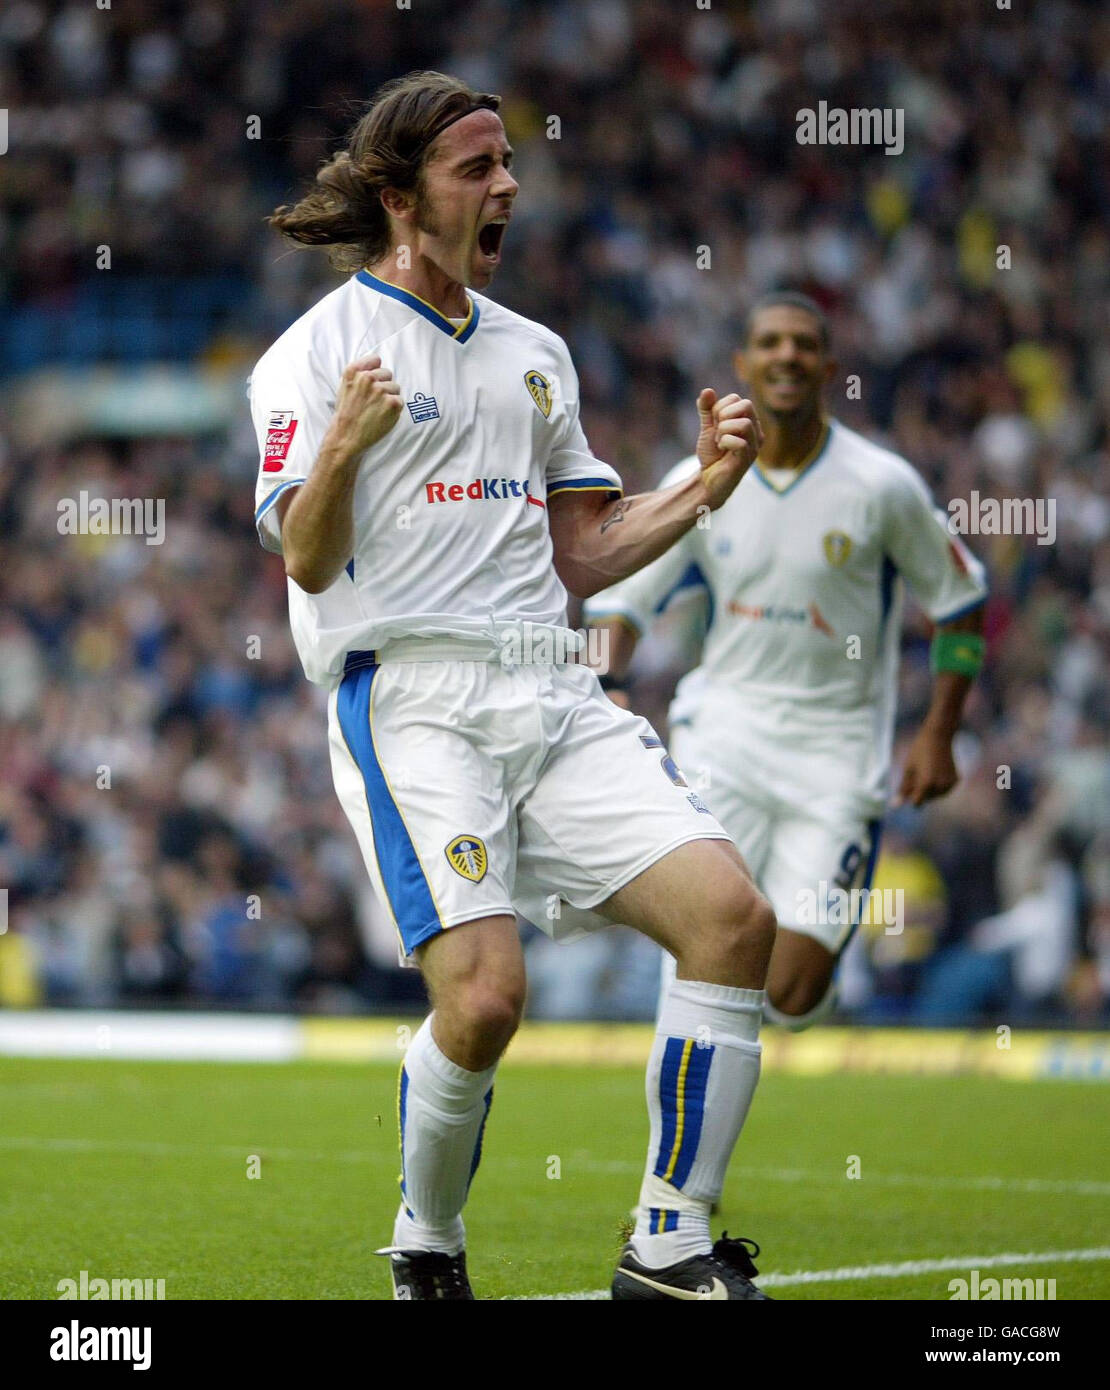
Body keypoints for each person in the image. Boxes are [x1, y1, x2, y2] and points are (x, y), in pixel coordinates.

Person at [250, 71, 775, 1300]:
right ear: (399, 196)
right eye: (477, 168)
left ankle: (668, 1239)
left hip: (554, 687)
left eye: (507, 165)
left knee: (733, 920)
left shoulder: (537, 353)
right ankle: (426, 1242)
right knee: (485, 1004)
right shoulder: (315, 354)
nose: (508, 186)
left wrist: (702, 486)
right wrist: (340, 451)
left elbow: (583, 554)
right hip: (415, 697)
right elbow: (306, 553)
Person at [585, 293, 988, 1030]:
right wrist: (606, 682)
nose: (786, 356)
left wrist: (937, 732)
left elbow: (960, 601)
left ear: (830, 366)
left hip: (835, 759)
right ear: (743, 362)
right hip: (722, 741)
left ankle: (797, 995)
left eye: (803, 344)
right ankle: (686, 1128)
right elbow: (618, 600)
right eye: (769, 342)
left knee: (789, 990)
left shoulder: (881, 485)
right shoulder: (703, 477)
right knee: (703, 946)